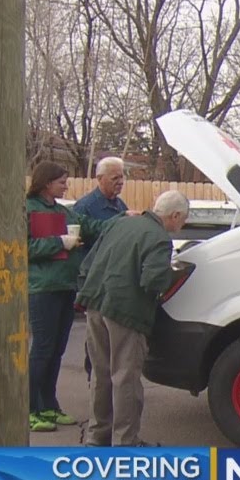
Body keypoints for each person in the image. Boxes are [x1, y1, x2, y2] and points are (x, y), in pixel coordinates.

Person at [77, 190, 189, 447]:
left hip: (95, 303)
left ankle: (97, 436)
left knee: (101, 374)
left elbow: (88, 264)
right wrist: (174, 275)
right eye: (183, 220)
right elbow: (153, 281)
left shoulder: (120, 223)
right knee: (125, 377)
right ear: (174, 215)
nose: (181, 226)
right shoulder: (159, 238)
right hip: (126, 312)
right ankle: (126, 441)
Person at [25, 161, 119, 433]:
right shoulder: (28, 209)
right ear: (46, 183)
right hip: (42, 288)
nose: (66, 186)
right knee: (42, 348)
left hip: (66, 286)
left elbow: (90, 225)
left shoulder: (62, 211)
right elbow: (24, 246)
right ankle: (30, 408)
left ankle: (49, 405)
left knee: (57, 349)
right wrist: (59, 242)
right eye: (61, 182)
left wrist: (122, 219)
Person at [69, 156, 129, 382]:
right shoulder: (85, 207)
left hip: (114, 279)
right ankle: (94, 378)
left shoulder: (120, 206)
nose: (120, 182)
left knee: (111, 333)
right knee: (96, 334)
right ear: (100, 179)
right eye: (115, 178)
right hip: (94, 280)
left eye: (122, 177)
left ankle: (107, 379)